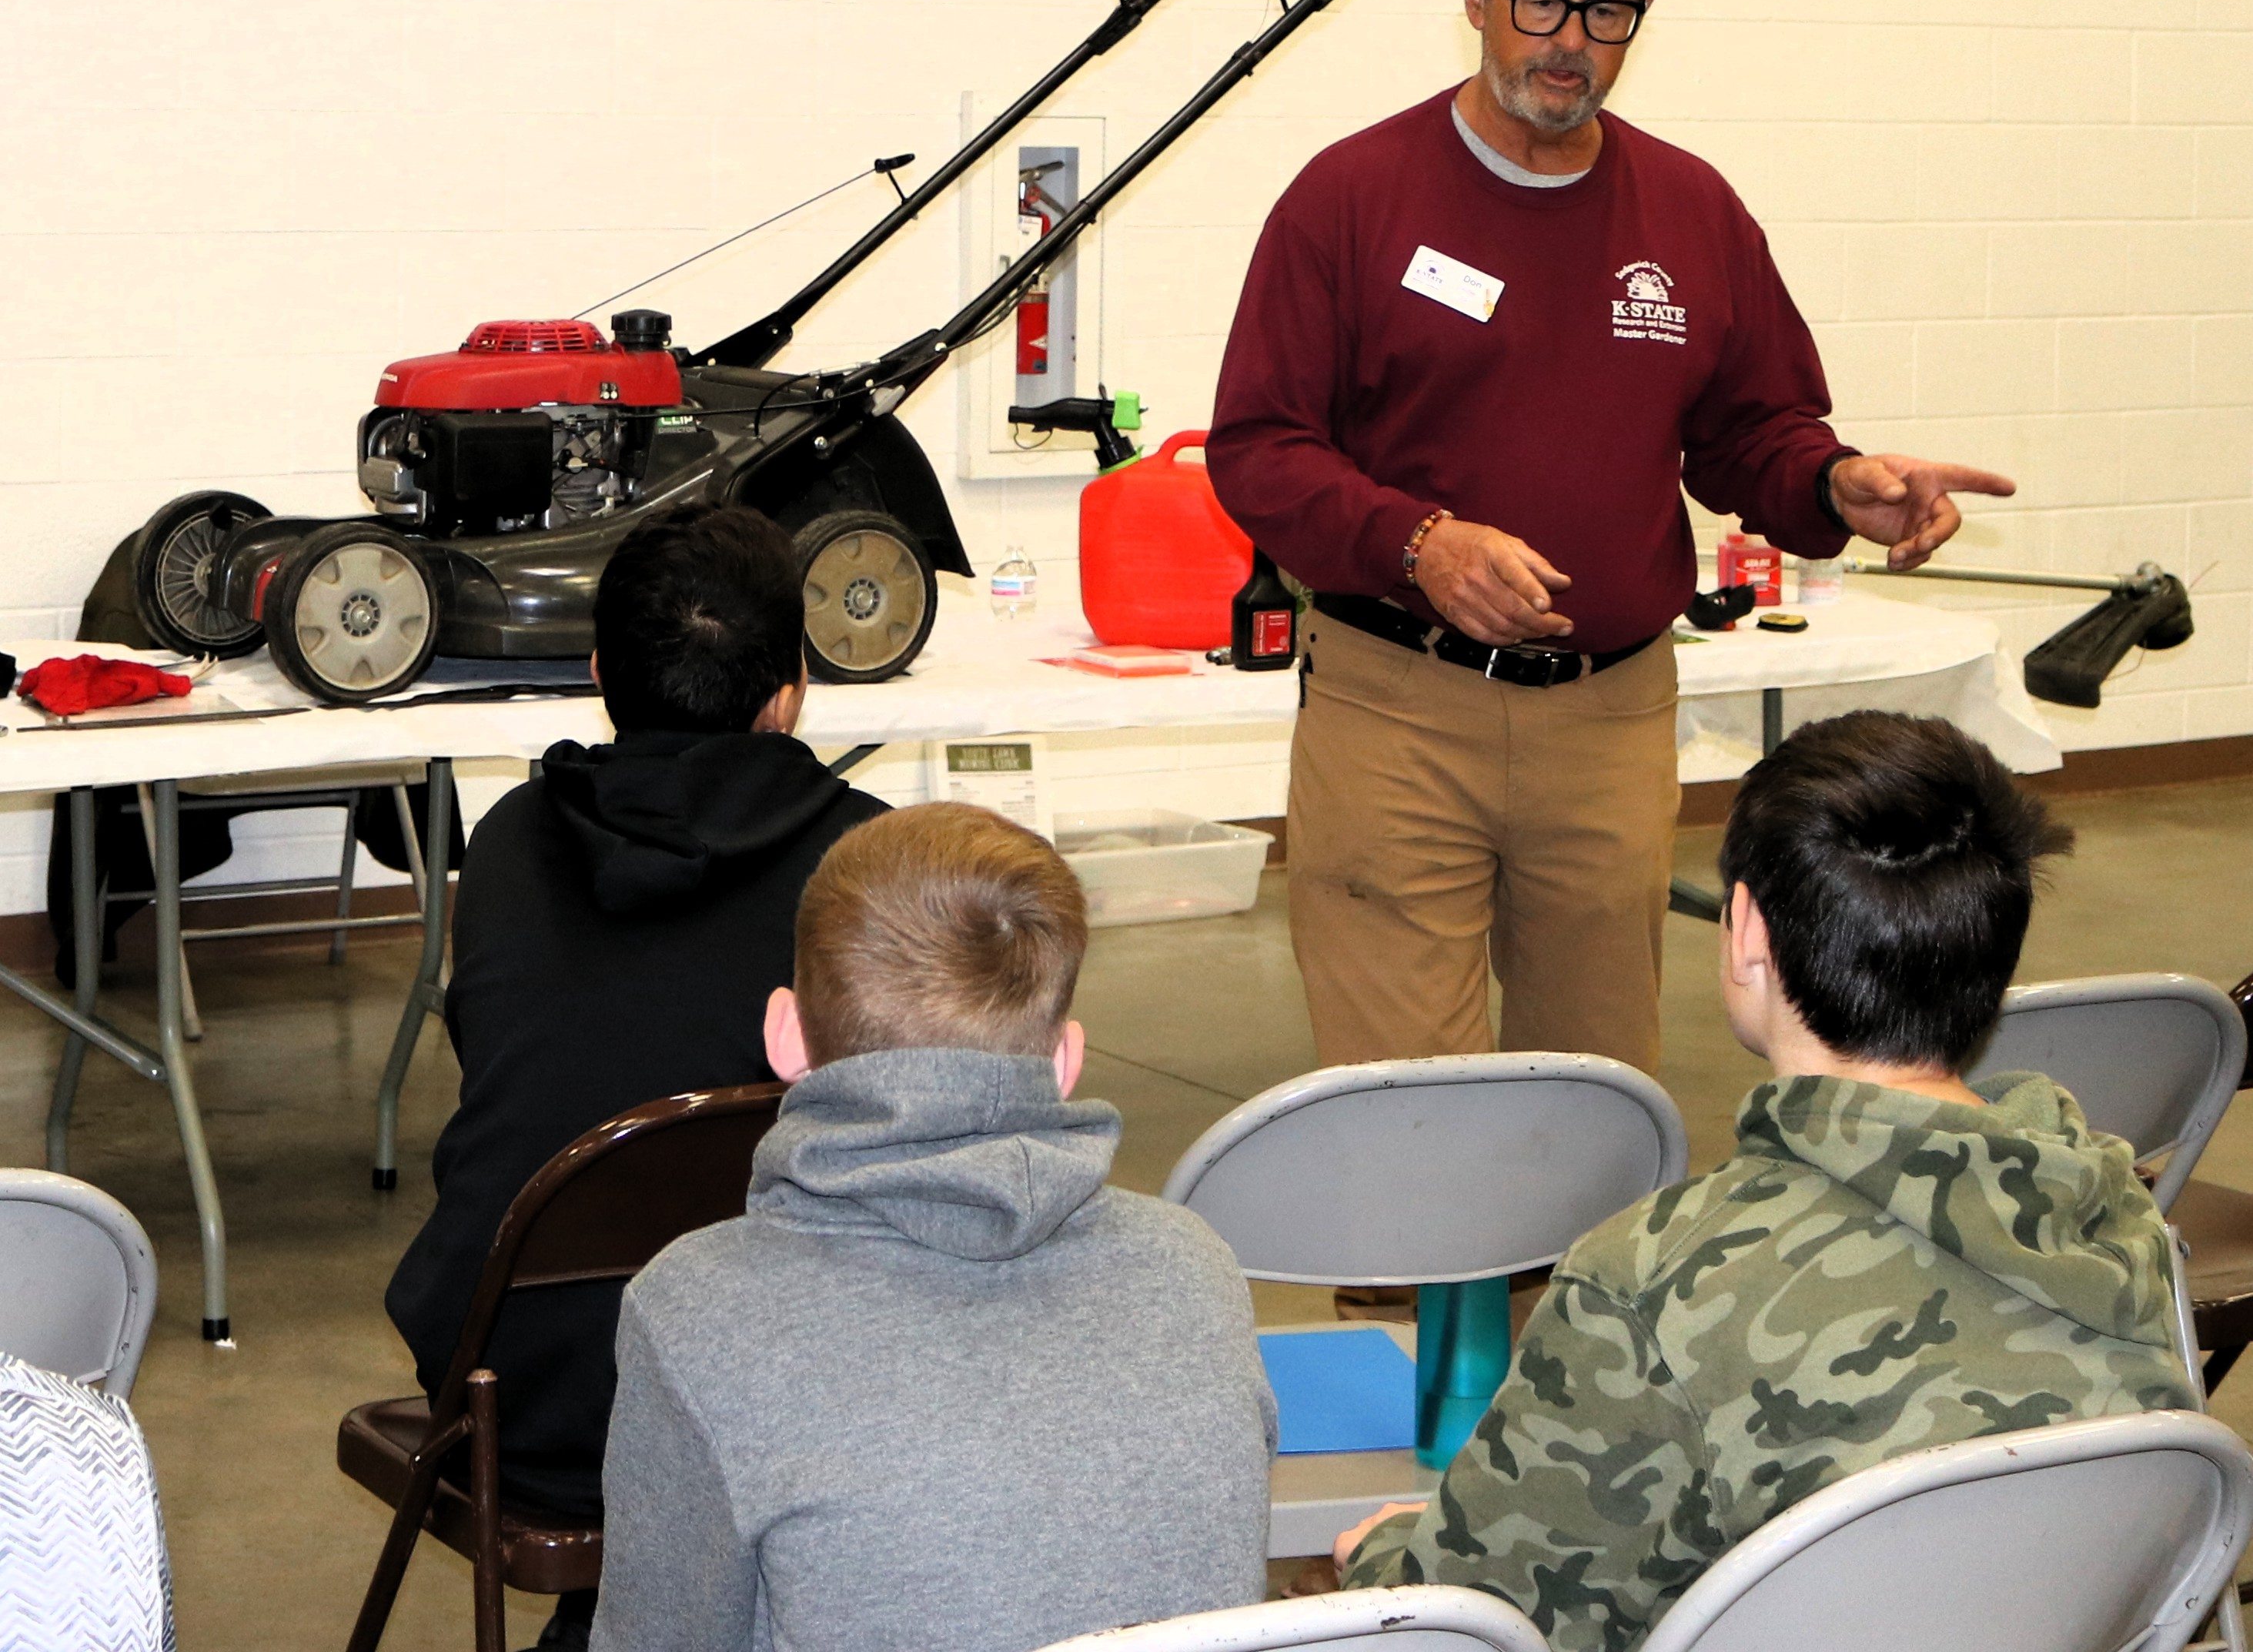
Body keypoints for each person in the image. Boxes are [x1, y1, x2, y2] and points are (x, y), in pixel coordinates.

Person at [1205, 0, 2014, 1075]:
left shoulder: (1690, 211)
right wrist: (1415, 543)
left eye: (1606, 10)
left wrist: (1828, 482)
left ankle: (1562, 1281)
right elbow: (1258, 449)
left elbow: (1751, 429)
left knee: (1586, 1086)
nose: (1567, 40)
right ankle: (1411, 1279)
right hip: (1396, 708)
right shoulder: (1351, 197)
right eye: (1539, 0)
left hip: (1610, 721)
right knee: (1400, 1095)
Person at [1335, 711, 2194, 1651]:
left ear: (1743, 930)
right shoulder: (2116, 1213)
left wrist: (1384, 1562)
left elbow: (1487, 1620)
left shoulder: (1652, 1277)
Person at [589, 801, 1277, 1652]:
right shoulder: (1191, 1264)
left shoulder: (694, 1311)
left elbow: (660, 1637)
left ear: (781, 1034)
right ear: (1063, 1061)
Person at [386, 503, 882, 1648]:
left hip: (520, 1394)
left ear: (600, 671)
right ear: (793, 687)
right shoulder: (869, 865)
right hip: (787, 1399)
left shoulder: (510, 841)